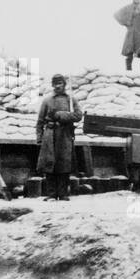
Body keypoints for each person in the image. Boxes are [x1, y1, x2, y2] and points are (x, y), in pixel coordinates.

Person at [35, 73, 83, 201]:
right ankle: (51, 194)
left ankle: (63, 194)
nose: (57, 86)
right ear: (52, 85)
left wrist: (61, 115)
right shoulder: (47, 100)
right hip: (50, 134)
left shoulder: (71, 100)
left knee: (64, 163)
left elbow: (78, 116)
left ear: (64, 85)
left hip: (65, 134)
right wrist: (39, 138)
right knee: (49, 164)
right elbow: (40, 121)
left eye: (60, 83)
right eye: (55, 84)